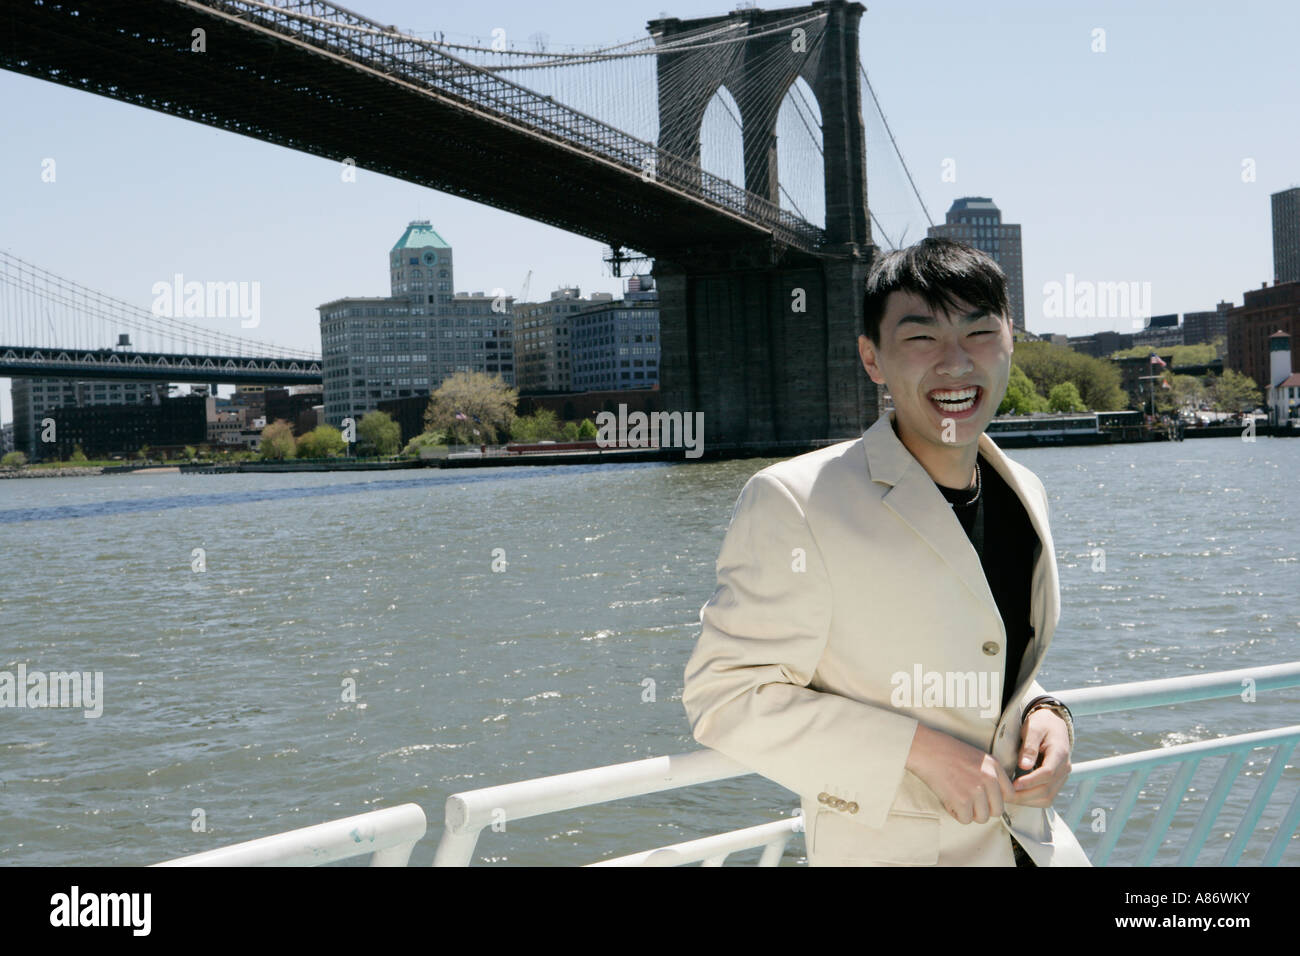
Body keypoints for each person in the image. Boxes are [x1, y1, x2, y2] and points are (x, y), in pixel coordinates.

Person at [682, 238, 1090, 866]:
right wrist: (916, 751)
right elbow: (725, 699)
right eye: (922, 338)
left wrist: (1046, 711)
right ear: (872, 359)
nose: (955, 364)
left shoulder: (1022, 490)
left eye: (979, 332)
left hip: (1035, 848)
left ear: (1012, 338)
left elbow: (988, 651)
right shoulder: (798, 501)